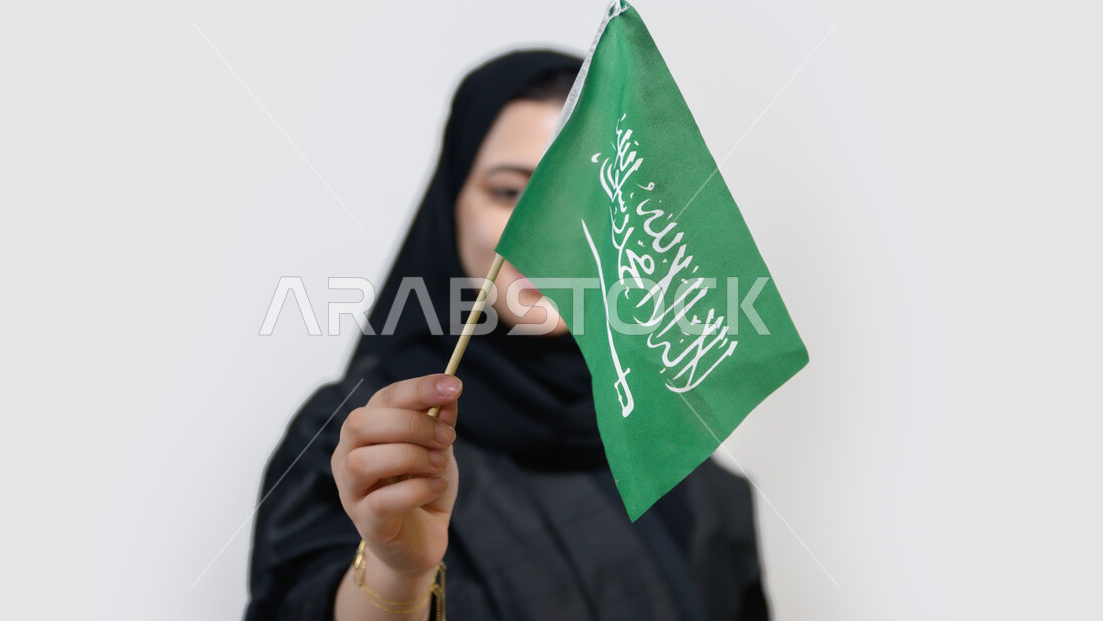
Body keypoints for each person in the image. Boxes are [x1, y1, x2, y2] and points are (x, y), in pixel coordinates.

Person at [243, 49, 769, 621]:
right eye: (511, 193)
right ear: (451, 206)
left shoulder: (683, 471)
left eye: (586, 198)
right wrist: (399, 573)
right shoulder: (368, 443)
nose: (545, 230)